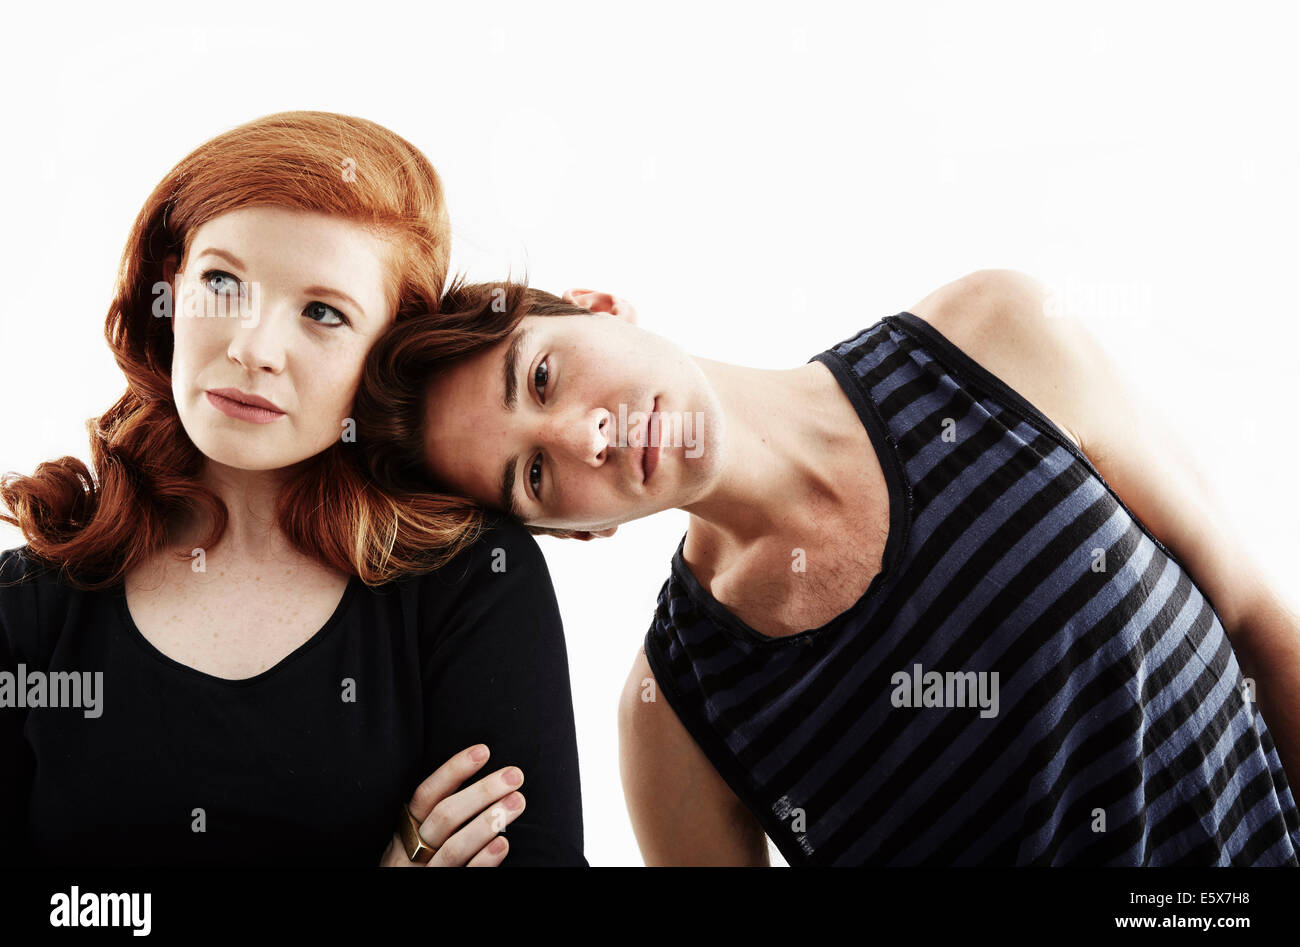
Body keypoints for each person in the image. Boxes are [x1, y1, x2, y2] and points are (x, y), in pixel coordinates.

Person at [355, 267, 1300, 865]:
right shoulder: (677, 725)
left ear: (599, 305)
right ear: (574, 533)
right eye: (534, 473)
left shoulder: (989, 339)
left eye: (542, 377)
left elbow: (1256, 619)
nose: (583, 436)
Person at [0, 112, 586, 866]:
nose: (252, 349)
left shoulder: (469, 582)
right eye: (221, 281)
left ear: (388, 354)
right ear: (168, 288)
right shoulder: (31, 605)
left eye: (322, 313)